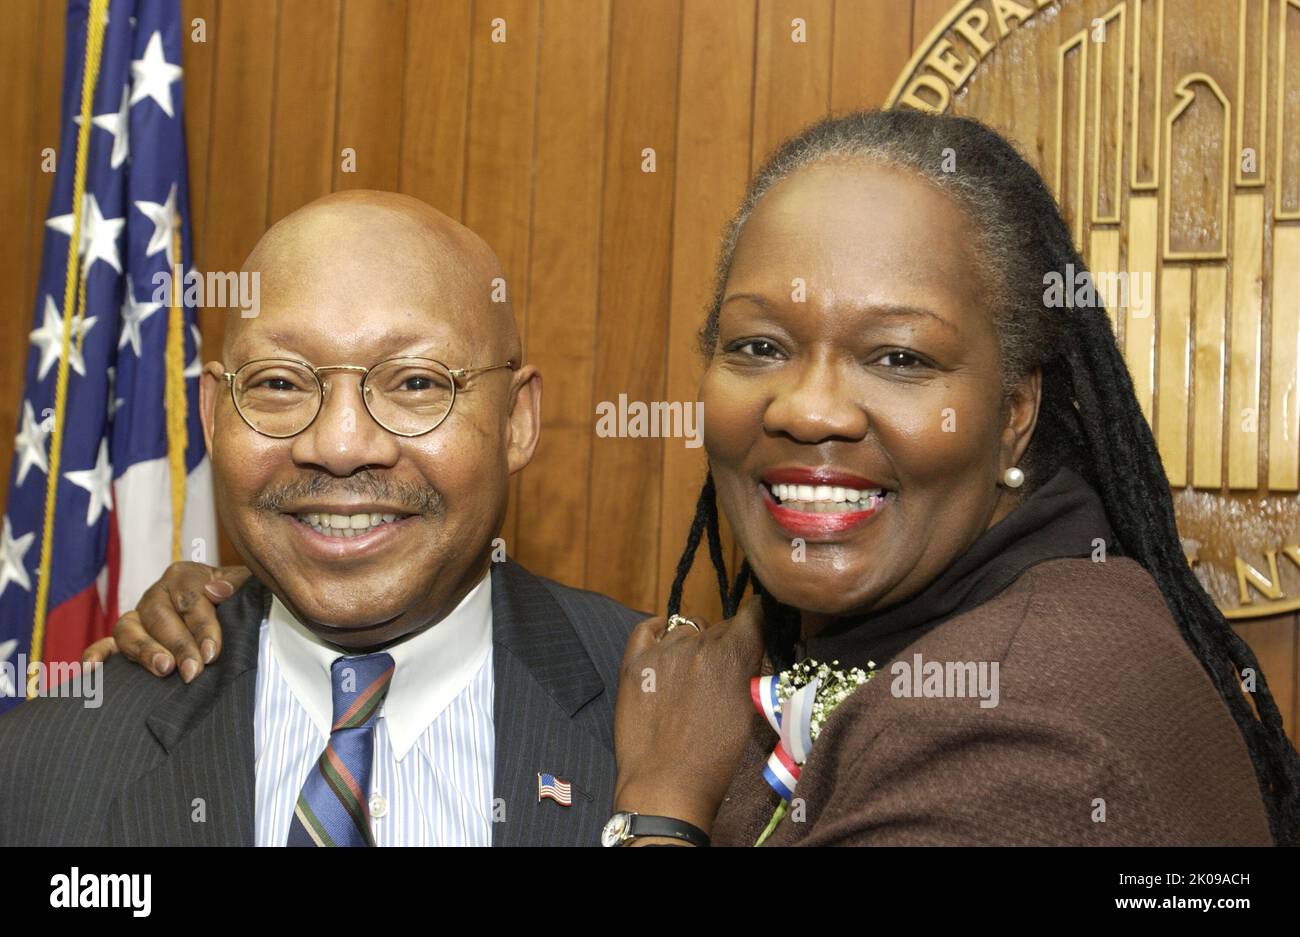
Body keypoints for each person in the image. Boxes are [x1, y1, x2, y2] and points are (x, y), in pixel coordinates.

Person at [92, 112, 1300, 846]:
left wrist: (660, 805)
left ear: (1017, 408)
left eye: (896, 356)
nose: (808, 406)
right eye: (758, 346)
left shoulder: (1017, 729)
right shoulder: (773, 665)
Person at [0, 190, 641, 847]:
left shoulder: (673, 722)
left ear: (516, 420)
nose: (338, 445)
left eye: (416, 382)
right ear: (214, 414)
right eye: (280, 382)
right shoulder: (38, 767)